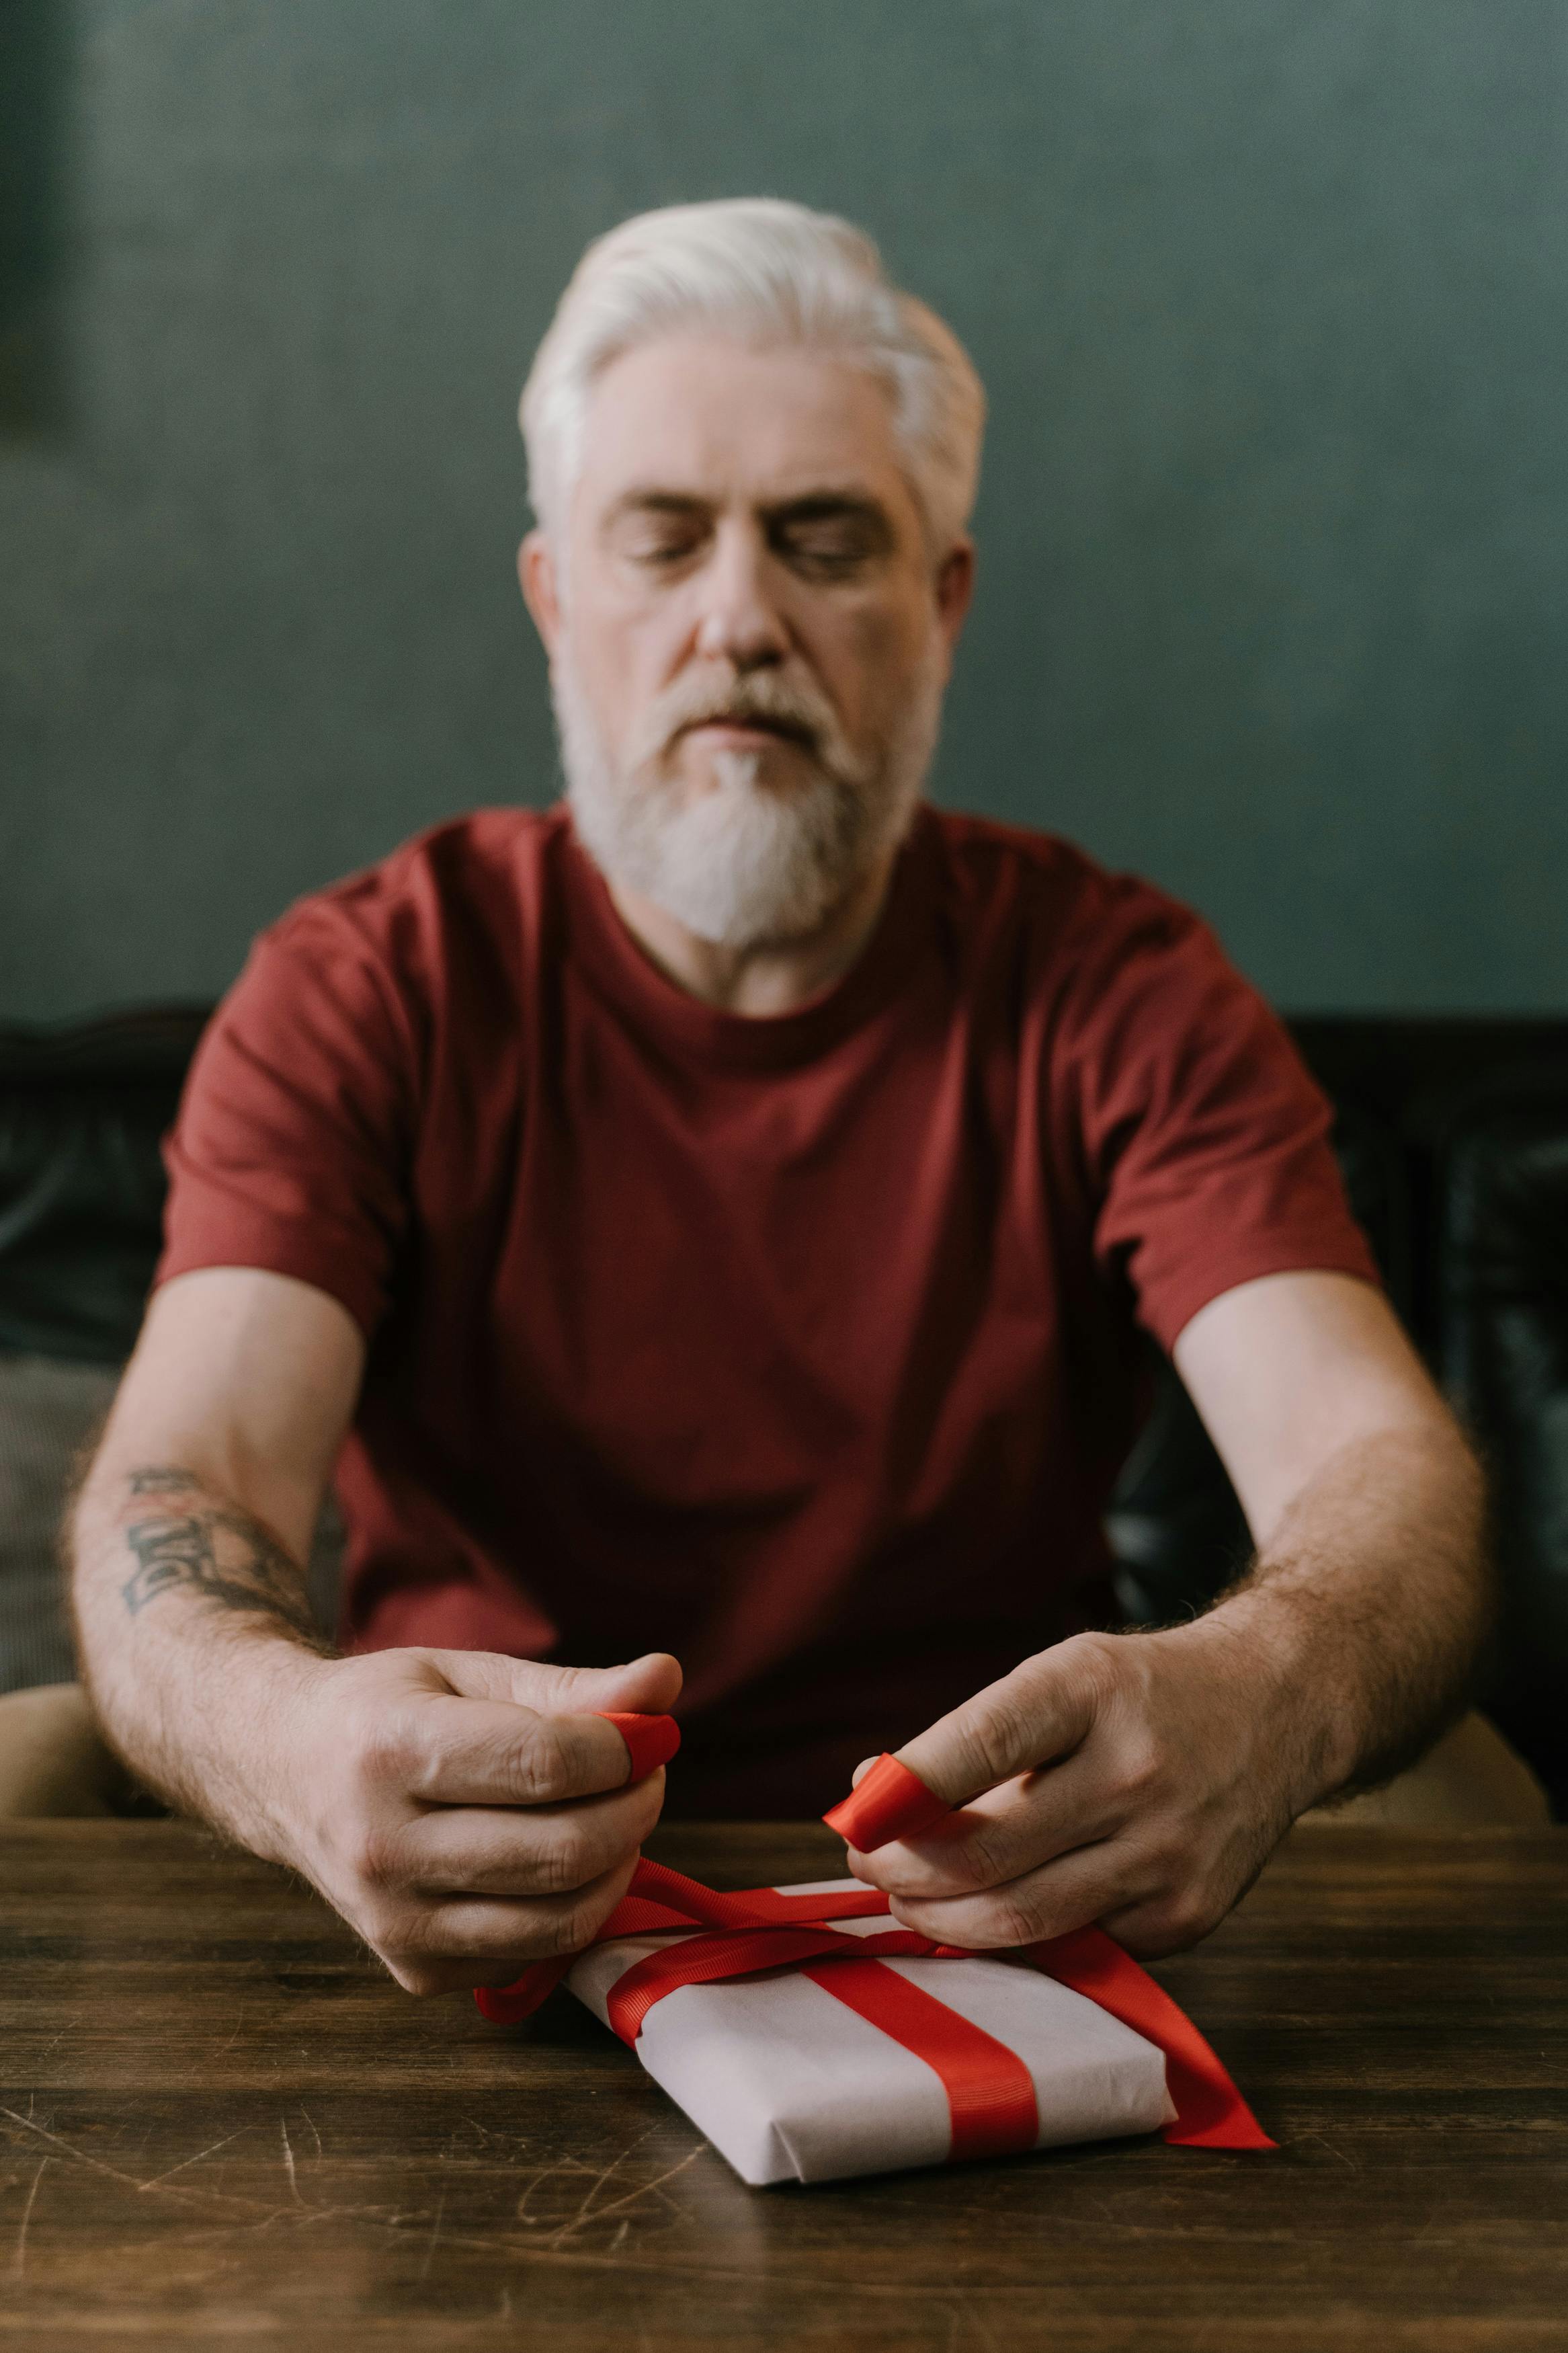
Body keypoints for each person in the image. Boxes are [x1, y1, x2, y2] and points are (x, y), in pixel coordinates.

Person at [68, 198, 1491, 1998]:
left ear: (941, 606)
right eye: (664, 542)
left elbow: (1382, 1469)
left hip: (997, 1895)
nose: (739, 619)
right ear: (557, 602)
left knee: (1460, 1775)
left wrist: (1266, 1688)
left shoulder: (1118, 988)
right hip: (476, 1903)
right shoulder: (371, 986)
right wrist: (280, 1734)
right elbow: (185, 1480)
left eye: (824, 543)